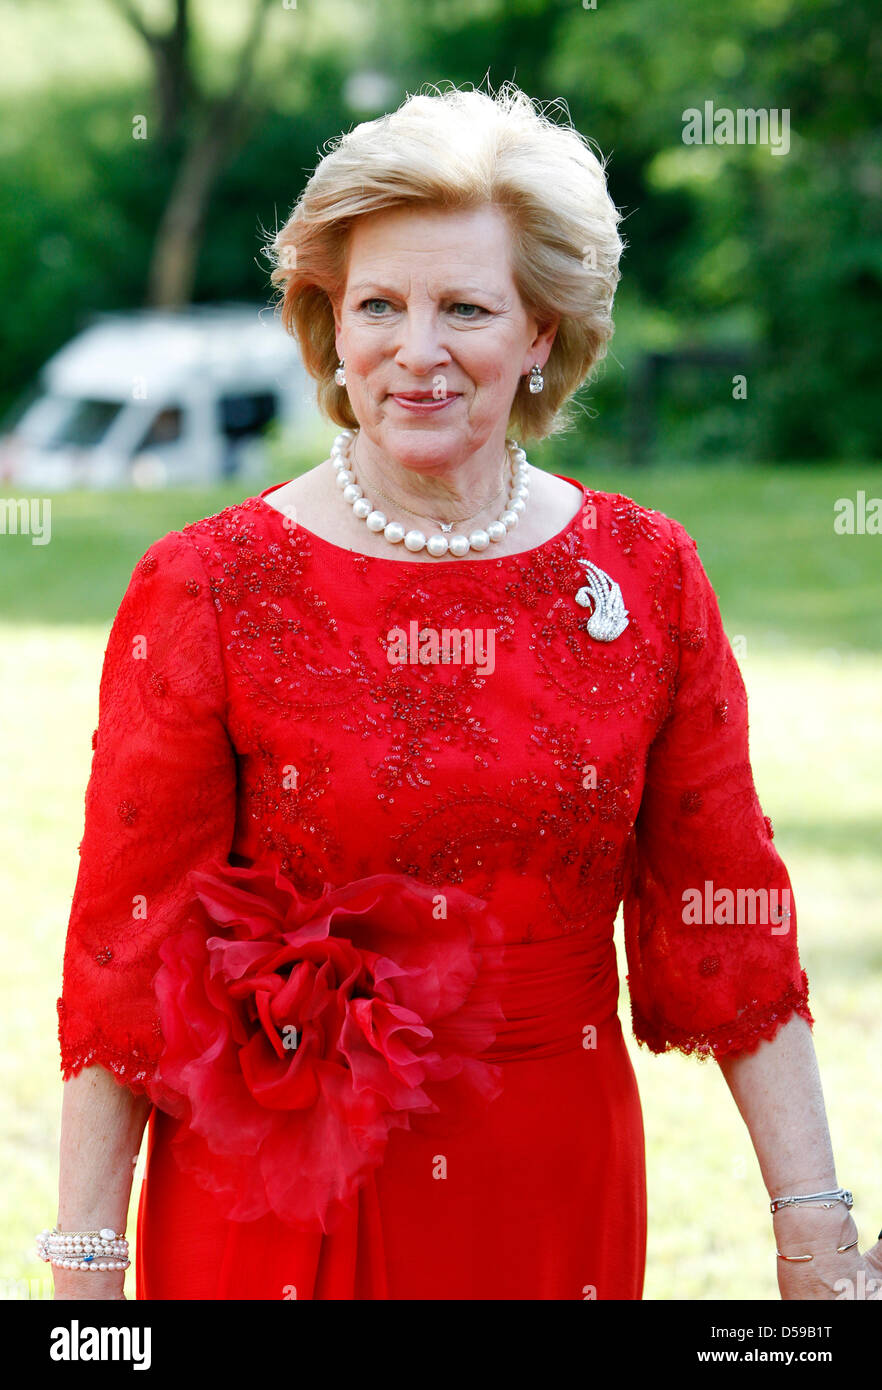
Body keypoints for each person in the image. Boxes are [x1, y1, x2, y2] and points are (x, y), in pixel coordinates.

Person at [48, 82, 881, 1301]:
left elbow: (733, 930)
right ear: (330, 318)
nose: (414, 351)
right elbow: (126, 966)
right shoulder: (206, 586)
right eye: (376, 304)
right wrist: (84, 1284)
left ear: (543, 332)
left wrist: (814, 1237)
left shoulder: (646, 576)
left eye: (466, 308)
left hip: (552, 1180)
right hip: (276, 1197)